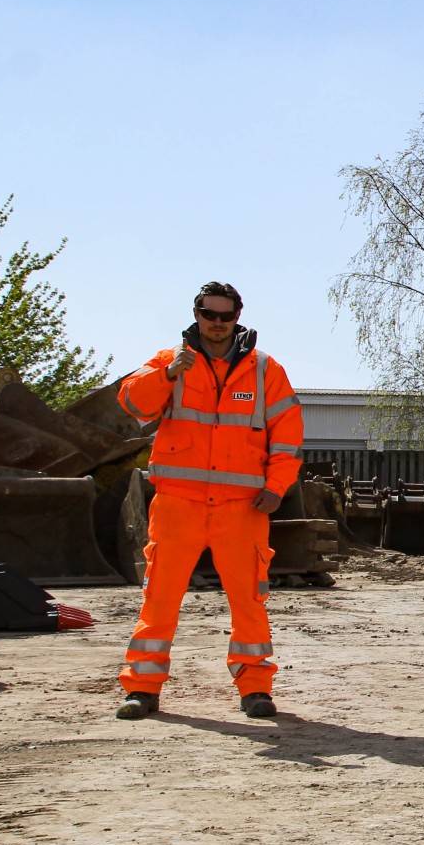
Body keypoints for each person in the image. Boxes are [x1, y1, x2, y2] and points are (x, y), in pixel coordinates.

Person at [113, 282, 303, 720]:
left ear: (238, 316)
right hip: (178, 503)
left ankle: (256, 688)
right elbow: (132, 403)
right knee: (159, 599)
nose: (216, 324)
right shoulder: (169, 362)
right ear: (196, 314)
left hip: (243, 508)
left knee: (249, 602)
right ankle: (142, 688)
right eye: (208, 314)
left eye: (225, 316)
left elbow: (288, 435)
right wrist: (167, 375)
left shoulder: (264, 370)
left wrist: (276, 488)